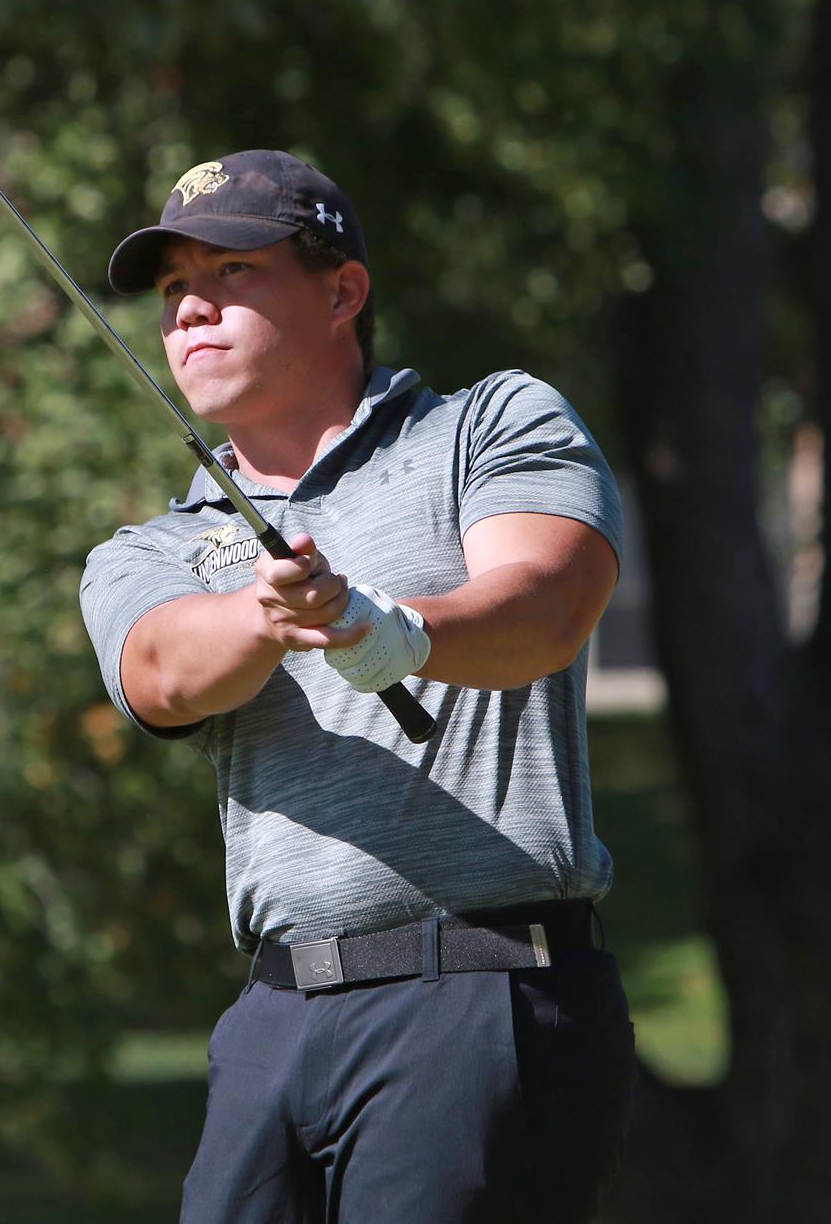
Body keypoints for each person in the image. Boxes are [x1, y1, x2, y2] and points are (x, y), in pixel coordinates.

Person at [79, 149, 635, 1222]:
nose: (190, 308)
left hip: (483, 990)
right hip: (275, 1017)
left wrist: (397, 630)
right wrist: (269, 614)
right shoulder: (152, 546)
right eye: (170, 289)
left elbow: (546, 608)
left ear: (340, 291)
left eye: (230, 272)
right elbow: (159, 673)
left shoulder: (484, 427)